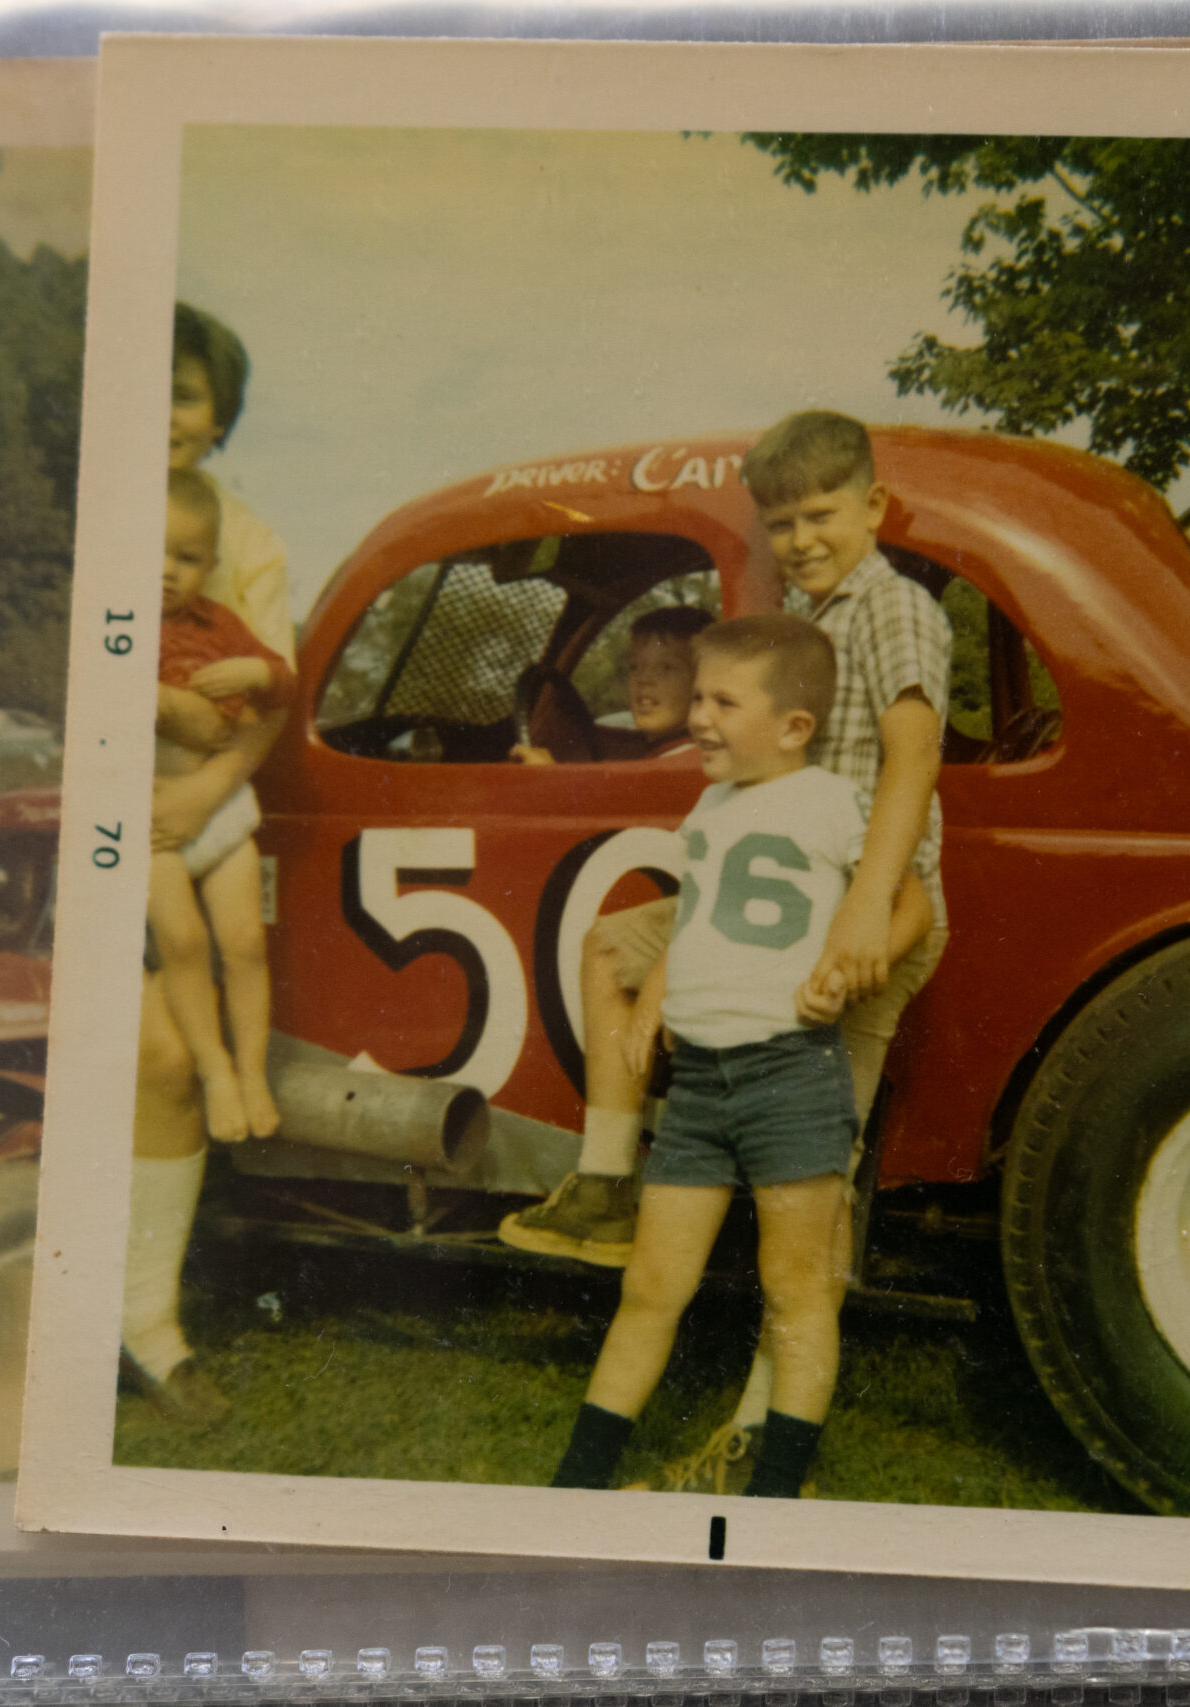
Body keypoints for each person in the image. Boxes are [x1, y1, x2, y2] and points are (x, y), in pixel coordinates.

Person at [505, 411, 952, 1491]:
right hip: (784, 897)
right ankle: (606, 1177)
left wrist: (866, 910)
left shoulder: (892, 606)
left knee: (808, 1205)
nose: (801, 540)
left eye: (822, 515)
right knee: (617, 946)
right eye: (782, 523)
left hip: (859, 901)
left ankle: (758, 1440)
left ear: (873, 508)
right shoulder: (807, 620)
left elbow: (912, 756)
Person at [549, 615, 931, 1498]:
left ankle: (775, 1493)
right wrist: (655, 995)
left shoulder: (832, 800)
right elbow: (699, 916)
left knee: (794, 1290)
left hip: (789, 1074)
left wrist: (853, 970)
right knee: (651, 1284)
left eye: (723, 701)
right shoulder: (710, 807)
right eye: (697, 698)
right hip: (700, 1085)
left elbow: (910, 907)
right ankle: (577, 1484)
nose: (698, 717)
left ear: (793, 726)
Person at [120, 305, 297, 1427]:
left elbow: (269, 698)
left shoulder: (248, 540)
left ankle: (146, 1321)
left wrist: (202, 783)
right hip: (79, 812)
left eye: (184, 394)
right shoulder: (89, 506)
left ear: (220, 419)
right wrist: (167, 707)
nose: (163, 412)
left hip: (181, 808)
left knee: (174, 1051)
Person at [151, 468, 291, 1144]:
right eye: (154, 550)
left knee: (245, 943)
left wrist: (256, 670)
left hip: (221, 802)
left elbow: (283, 684)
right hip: (150, 817)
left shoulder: (220, 623)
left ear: (209, 567)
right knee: (182, 939)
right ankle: (215, 1071)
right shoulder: (116, 624)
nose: (166, 570)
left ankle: (252, 1072)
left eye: (185, 558)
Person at [509, 604, 713, 765]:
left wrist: (551, 778)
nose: (644, 679)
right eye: (635, 667)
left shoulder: (689, 759)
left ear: (703, 682)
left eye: (666, 668)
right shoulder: (662, 752)